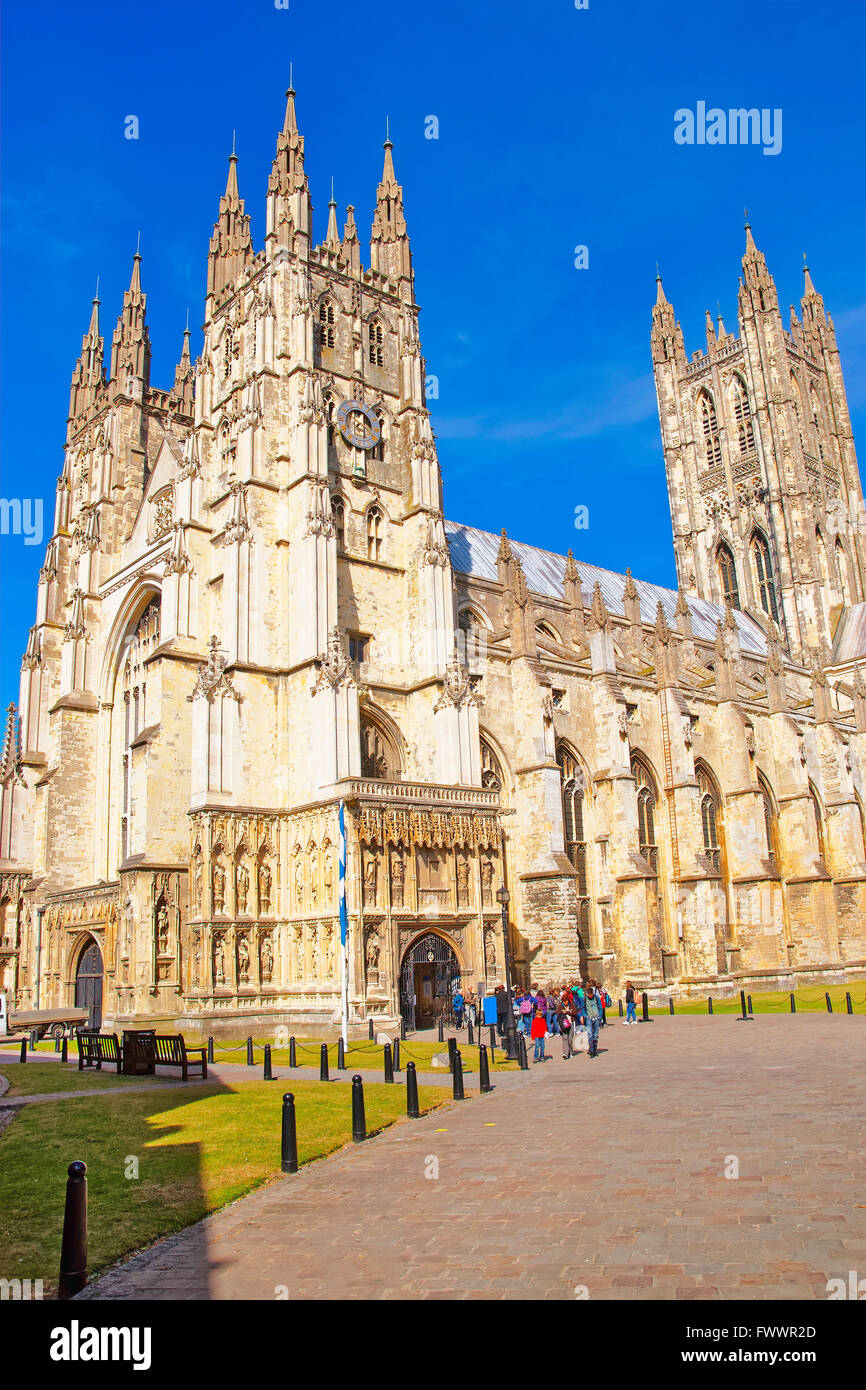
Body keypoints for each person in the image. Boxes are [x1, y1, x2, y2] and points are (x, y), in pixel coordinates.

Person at [585, 984, 602, 1057]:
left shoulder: (596, 997)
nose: (590, 996)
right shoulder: (585, 998)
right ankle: (591, 1049)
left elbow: (600, 1007)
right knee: (589, 1034)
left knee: (595, 1035)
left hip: (596, 1018)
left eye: (591, 995)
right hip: (589, 1018)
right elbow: (583, 1008)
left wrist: (599, 1017)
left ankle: (594, 1050)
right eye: (589, 995)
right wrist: (585, 1016)